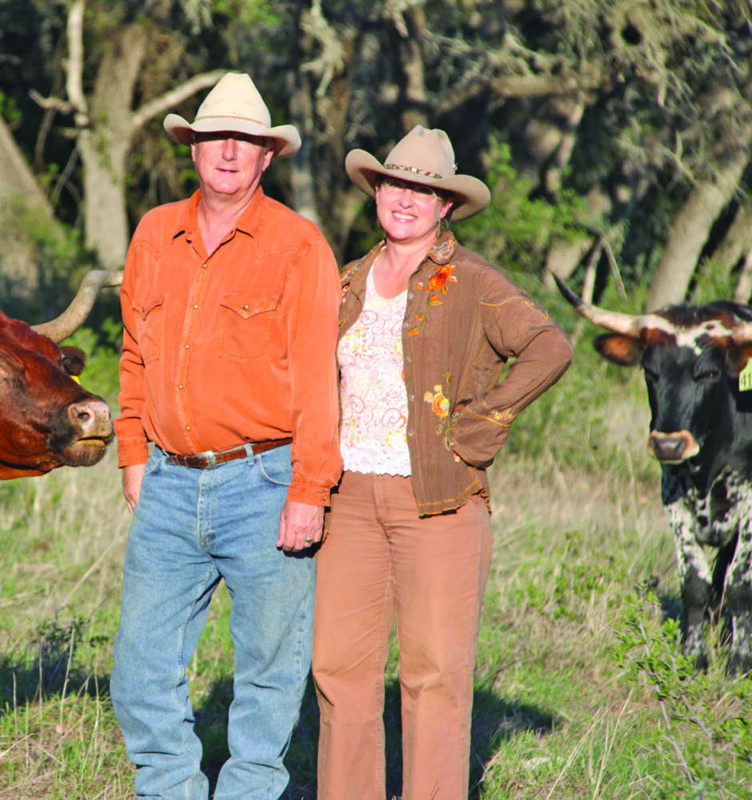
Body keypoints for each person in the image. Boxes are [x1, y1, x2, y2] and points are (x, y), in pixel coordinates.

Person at [311, 126, 573, 799]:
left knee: (433, 676)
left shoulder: (474, 282)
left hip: (439, 502)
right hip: (349, 500)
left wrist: (479, 425)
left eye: (422, 190)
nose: (405, 199)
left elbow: (549, 346)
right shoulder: (347, 281)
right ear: (377, 189)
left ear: (444, 205)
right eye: (395, 183)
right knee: (339, 670)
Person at [110, 72, 342, 800]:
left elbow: (315, 383)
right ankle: (169, 788)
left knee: (268, 671)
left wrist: (309, 491)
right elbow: (132, 351)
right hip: (169, 481)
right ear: (194, 148)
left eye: (245, 140)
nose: (229, 151)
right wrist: (132, 451)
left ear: (268, 156)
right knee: (142, 664)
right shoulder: (154, 233)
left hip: (265, 480)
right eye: (216, 137)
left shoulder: (299, 247)